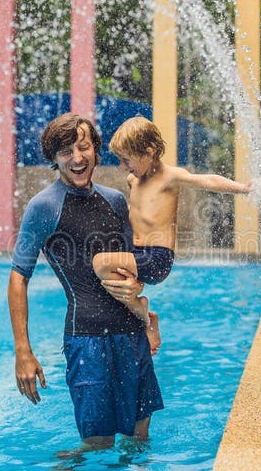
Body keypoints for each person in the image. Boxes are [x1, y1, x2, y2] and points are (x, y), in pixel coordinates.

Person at [8, 112, 164, 448]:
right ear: (54, 159)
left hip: (132, 337)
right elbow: (18, 278)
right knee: (97, 444)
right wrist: (23, 351)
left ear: (95, 149)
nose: (77, 158)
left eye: (83, 147)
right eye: (66, 151)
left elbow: (130, 267)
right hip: (87, 341)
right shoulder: (43, 207)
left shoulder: (116, 201)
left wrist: (144, 309)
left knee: (140, 439)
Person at [92, 115, 252, 354]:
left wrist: (243, 189)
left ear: (149, 151)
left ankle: (143, 312)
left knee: (101, 263)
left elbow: (207, 179)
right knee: (103, 275)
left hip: (157, 258)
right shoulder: (132, 180)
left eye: (127, 159)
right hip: (135, 254)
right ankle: (142, 310)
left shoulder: (170, 177)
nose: (124, 166)